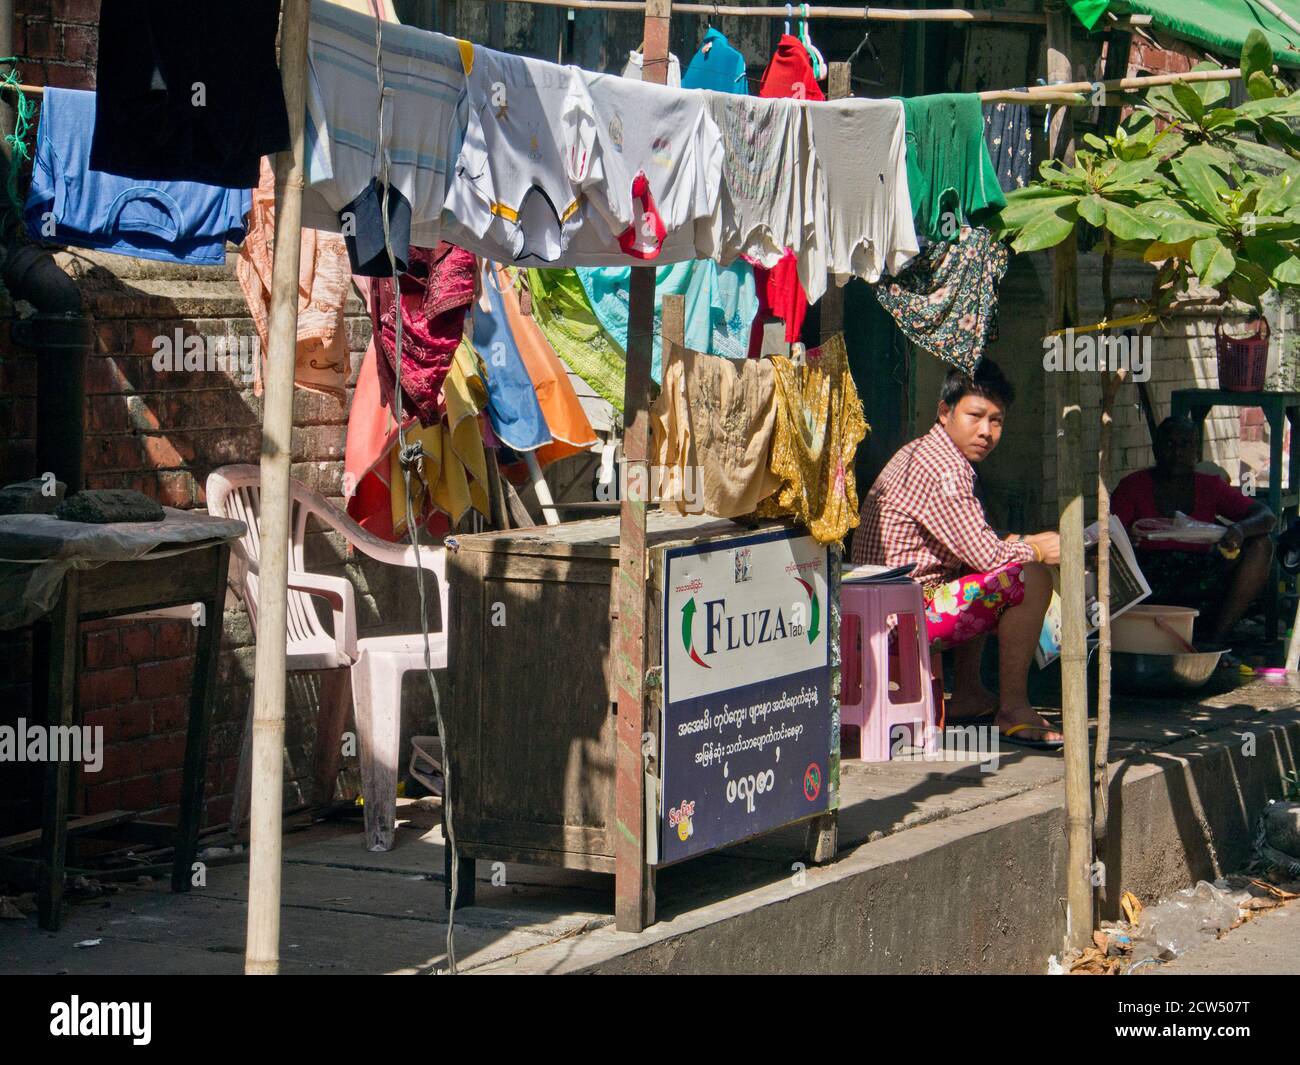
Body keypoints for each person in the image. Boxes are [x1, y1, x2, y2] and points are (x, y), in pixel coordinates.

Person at [852, 359, 1063, 748]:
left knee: (979, 568)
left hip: (887, 605)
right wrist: (1036, 547)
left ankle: (968, 693)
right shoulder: (945, 468)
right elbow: (987, 554)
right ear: (945, 412)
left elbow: (973, 541)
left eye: (996, 421)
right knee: (1033, 578)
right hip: (903, 616)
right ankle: (1013, 709)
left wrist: (1021, 541)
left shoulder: (926, 450)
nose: (986, 431)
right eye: (976, 416)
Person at [1111, 415, 1275, 646]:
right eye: (1170, 444)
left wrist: (1239, 530)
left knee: (1261, 545)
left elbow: (1266, 516)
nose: (1177, 453)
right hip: (1147, 575)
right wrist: (1125, 538)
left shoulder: (1210, 486)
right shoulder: (1132, 486)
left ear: (1196, 451)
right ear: (1156, 449)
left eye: (1185, 444)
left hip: (1201, 571)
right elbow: (1107, 532)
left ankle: (1218, 638)